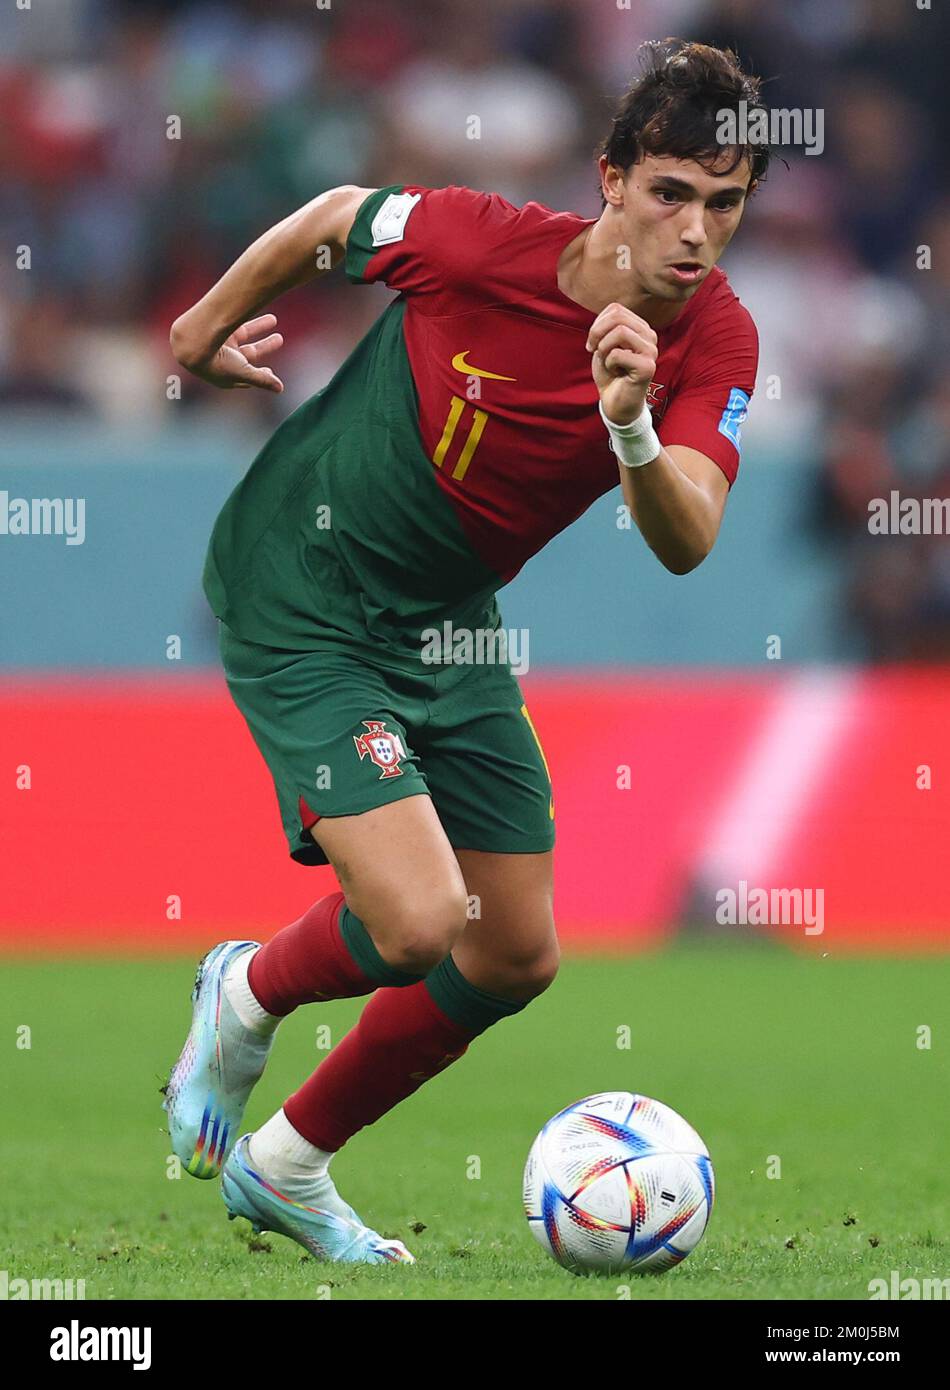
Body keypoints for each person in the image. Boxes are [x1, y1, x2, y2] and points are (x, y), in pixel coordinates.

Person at [163, 38, 766, 1265]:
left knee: (511, 947)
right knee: (418, 921)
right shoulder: (482, 242)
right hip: (308, 584)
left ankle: (286, 1164)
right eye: (668, 192)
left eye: (724, 203)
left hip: (448, 620)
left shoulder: (715, 339)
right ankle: (245, 989)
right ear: (609, 179)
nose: (694, 231)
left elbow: (688, 536)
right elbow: (334, 217)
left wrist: (633, 429)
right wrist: (198, 332)